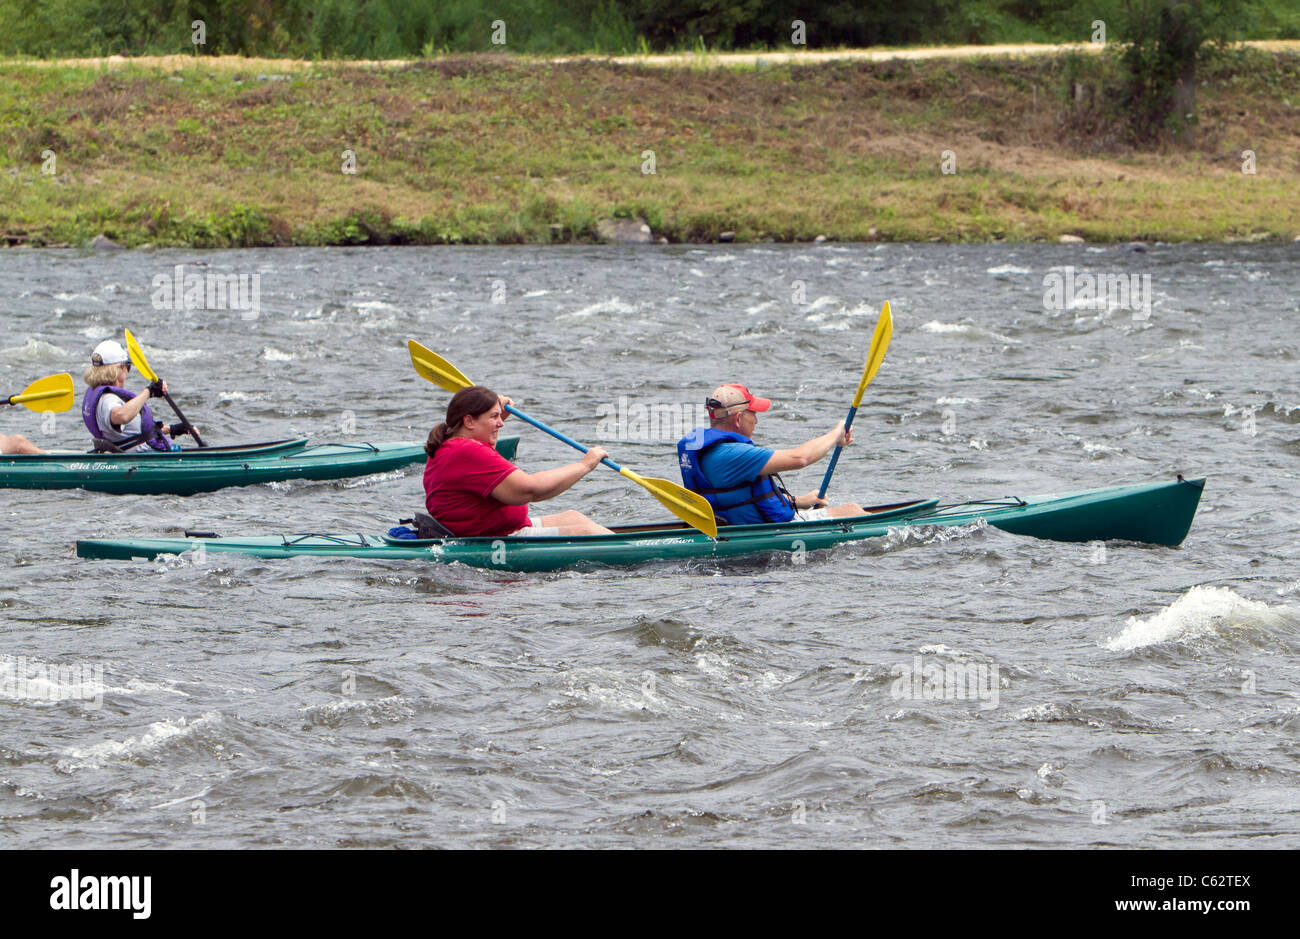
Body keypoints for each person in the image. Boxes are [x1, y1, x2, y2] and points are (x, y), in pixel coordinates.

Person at [423, 385, 614, 537]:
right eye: (494, 417)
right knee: (583, 533)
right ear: (469, 421)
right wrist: (585, 465)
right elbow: (530, 489)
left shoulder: (451, 446)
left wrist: (493, 413)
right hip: (497, 537)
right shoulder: (467, 451)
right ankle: (638, 553)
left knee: (574, 518)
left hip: (503, 529)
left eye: (500, 416)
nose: (501, 423)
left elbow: (484, 469)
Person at [677, 383, 866, 526]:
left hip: (737, 525)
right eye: (753, 414)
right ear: (739, 418)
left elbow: (736, 496)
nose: (756, 420)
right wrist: (837, 434)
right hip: (771, 529)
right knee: (853, 510)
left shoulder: (707, 450)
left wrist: (799, 502)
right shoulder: (732, 454)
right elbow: (801, 458)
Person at [81, 339, 196, 452]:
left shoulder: (103, 395)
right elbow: (121, 416)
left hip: (142, 452)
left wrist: (172, 429)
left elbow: (130, 434)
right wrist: (148, 392)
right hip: (145, 460)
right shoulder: (108, 399)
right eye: (128, 366)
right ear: (119, 368)